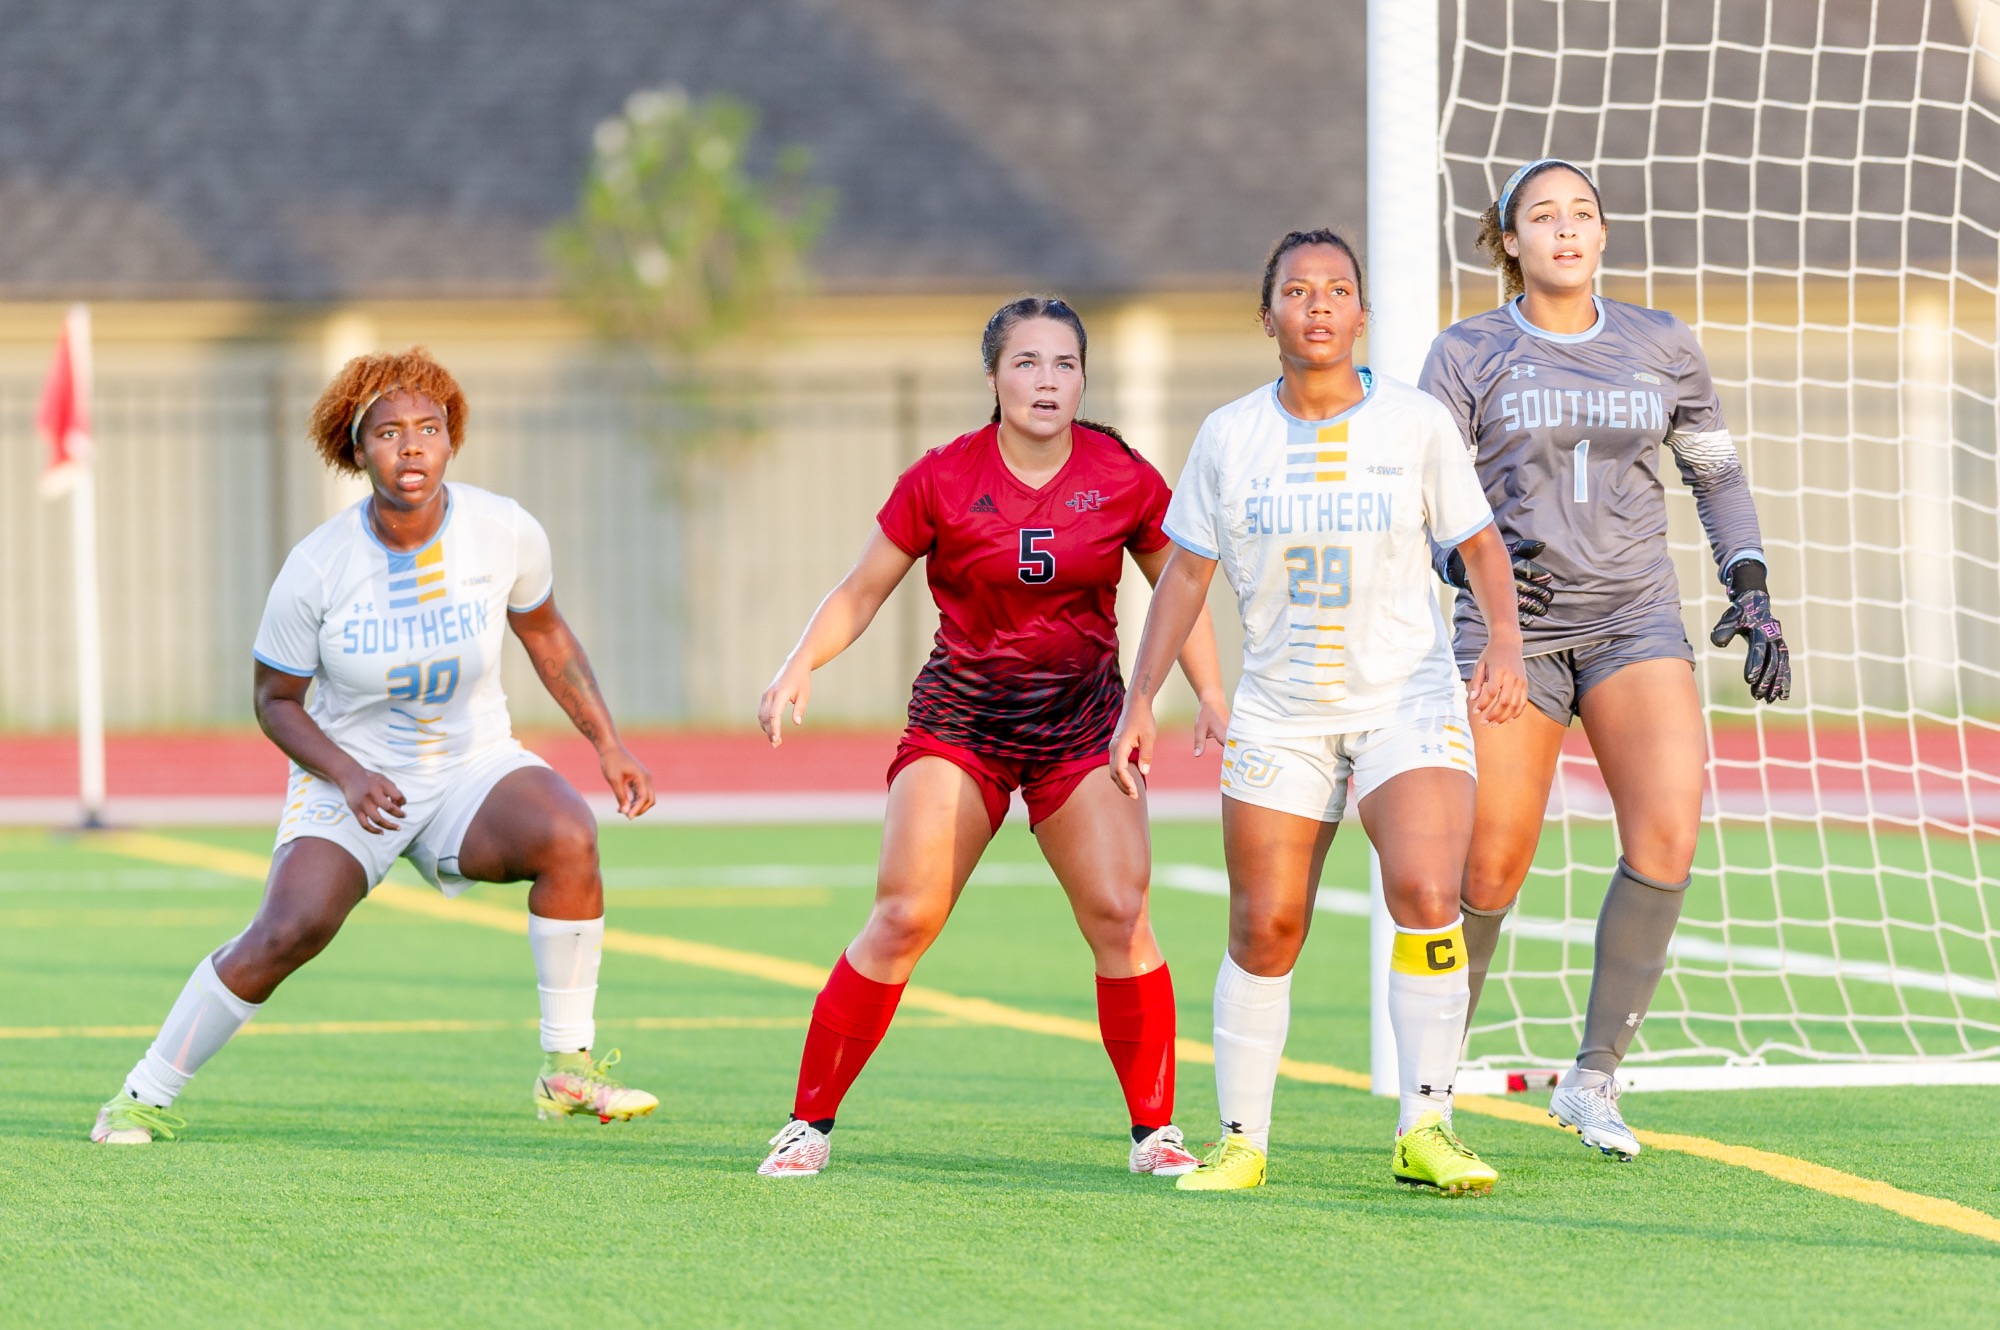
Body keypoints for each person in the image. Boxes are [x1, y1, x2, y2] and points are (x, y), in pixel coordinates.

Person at [91, 347, 660, 1144]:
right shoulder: (316, 569)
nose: (412, 446)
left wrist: (609, 744)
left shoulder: (503, 530)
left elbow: (546, 633)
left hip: (471, 767)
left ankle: (566, 1070)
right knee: (289, 931)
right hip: (349, 780)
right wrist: (349, 775)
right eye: (388, 432)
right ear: (356, 449)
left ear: (452, 439)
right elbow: (273, 702)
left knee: (568, 833)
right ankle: (141, 1095)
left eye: (429, 428)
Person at [754, 296, 1229, 1179]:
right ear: (993, 377)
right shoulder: (941, 476)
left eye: (1063, 365)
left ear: (1084, 379)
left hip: (1082, 728)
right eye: (1026, 363)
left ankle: (1154, 1133)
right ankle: (807, 1123)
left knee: (1123, 917)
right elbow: (861, 591)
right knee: (904, 915)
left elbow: (1180, 587)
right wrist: (798, 665)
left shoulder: (1122, 472)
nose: (1046, 381)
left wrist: (1205, 691)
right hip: (959, 727)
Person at [1110, 230, 1529, 1196]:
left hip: (1405, 699)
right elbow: (1183, 578)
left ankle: (1427, 1125)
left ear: (1362, 314)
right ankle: (1242, 1142)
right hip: (1280, 713)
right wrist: (1142, 699)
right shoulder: (1228, 434)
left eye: (1339, 290)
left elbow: (1480, 546)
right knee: (1268, 925)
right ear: (1269, 318)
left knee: (1428, 891)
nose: (1320, 305)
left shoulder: (1416, 423)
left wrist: (1502, 641)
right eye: (1298, 291)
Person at [1420, 158, 1790, 1161]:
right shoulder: (1463, 352)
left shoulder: (1660, 343)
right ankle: (1428, 1093)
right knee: (1488, 865)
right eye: (1541, 216)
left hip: (1634, 619)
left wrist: (1747, 586)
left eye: (1580, 213)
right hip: (1512, 631)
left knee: (1666, 837)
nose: (1565, 229)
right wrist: (1470, 569)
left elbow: (1713, 476)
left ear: (1602, 232)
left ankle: (1590, 1080)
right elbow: (1419, 500)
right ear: (1508, 242)